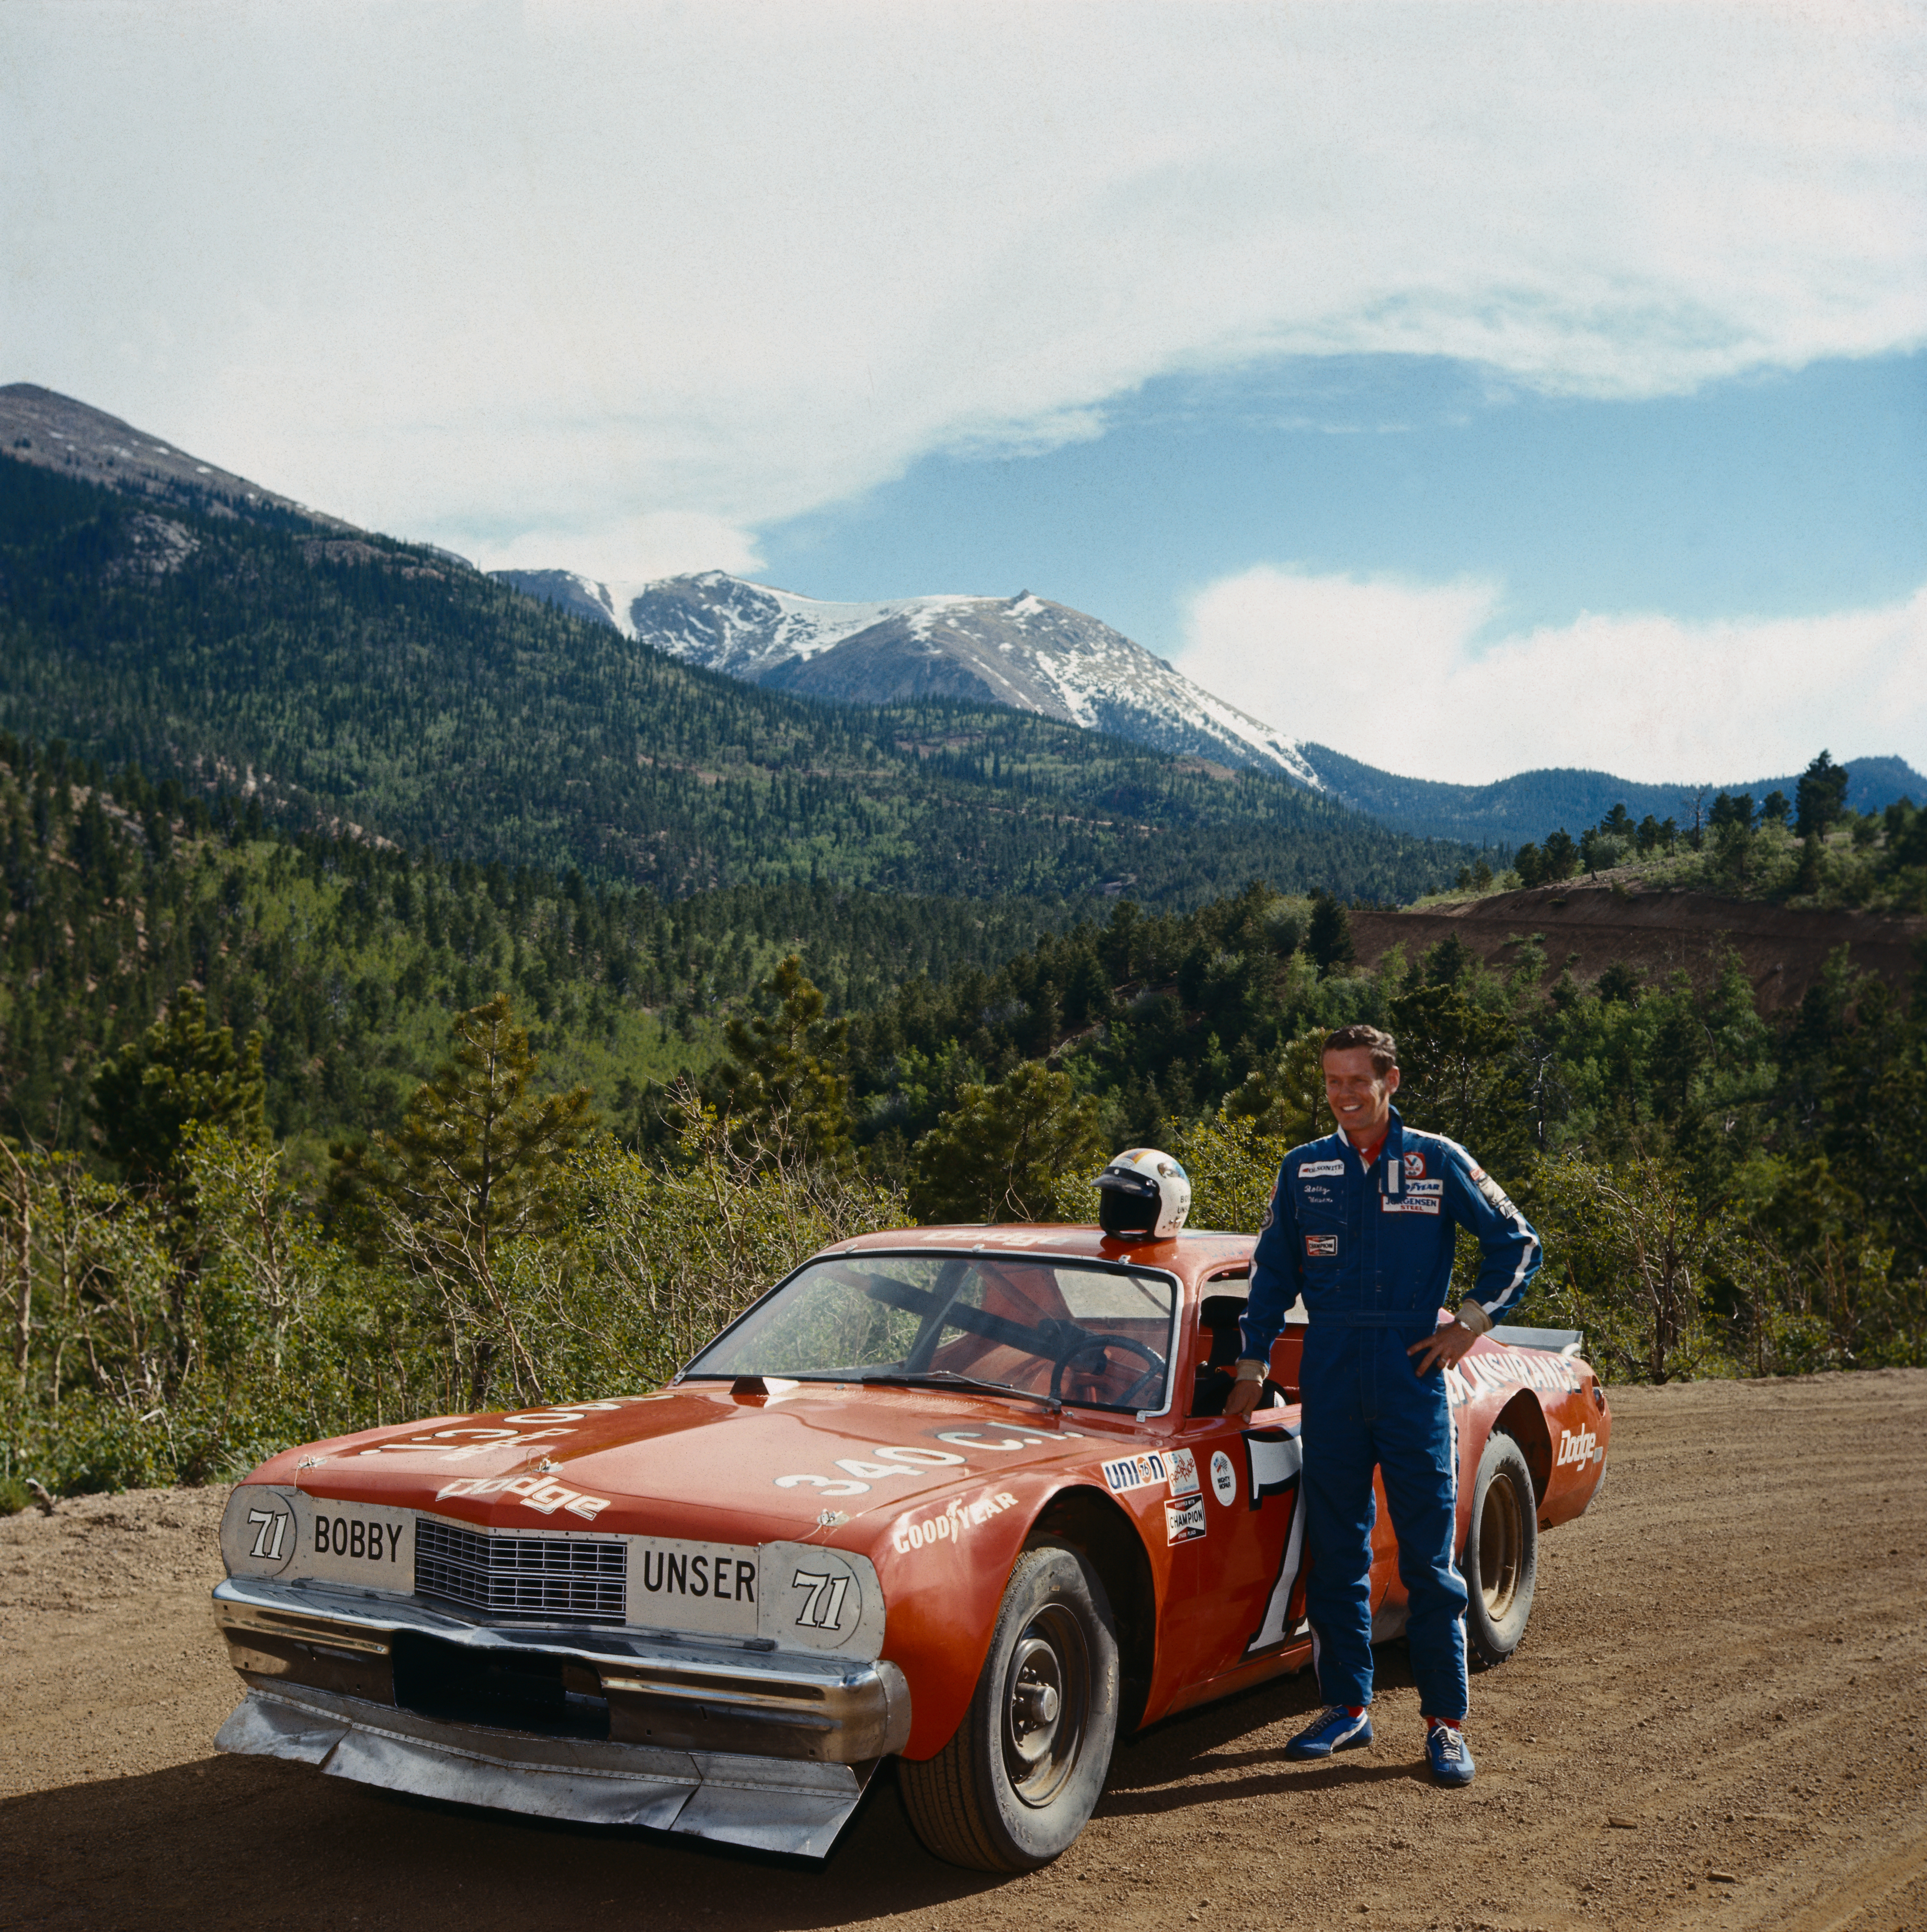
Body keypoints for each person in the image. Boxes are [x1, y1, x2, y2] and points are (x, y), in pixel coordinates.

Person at [1224, 1022, 1540, 1787]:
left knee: (1431, 1561)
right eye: (1331, 1081)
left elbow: (1518, 1243)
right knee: (1337, 1549)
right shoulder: (1303, 1169)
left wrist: (1465, 1324)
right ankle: (1346, 1708)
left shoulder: (1436, 1158)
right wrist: (1250, 1359)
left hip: (1408, 1373)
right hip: (1329, 1371)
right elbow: (1269, 1277)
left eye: (1355, 1080)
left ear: (1389, 1081)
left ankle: (1444, 1723)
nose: (1342, 1094)